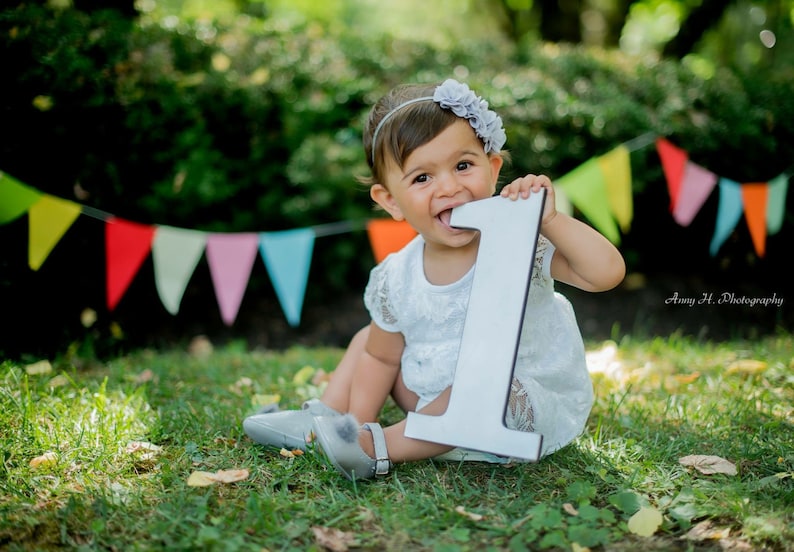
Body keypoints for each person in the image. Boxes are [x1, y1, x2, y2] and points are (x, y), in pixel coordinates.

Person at [243, 78, 625, 480]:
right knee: (371, 341)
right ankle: (337, 421)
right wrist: (361, 414)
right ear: (391, 200)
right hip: (430, 399)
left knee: (479, 393)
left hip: (514, 402)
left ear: (492, 168)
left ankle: (376, 447)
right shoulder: (397, 274)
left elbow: (605, 274)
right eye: (422, 178)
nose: (449, 187)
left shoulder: (520, 240)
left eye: (463, 166)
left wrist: (550, 219)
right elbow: (381, 358)